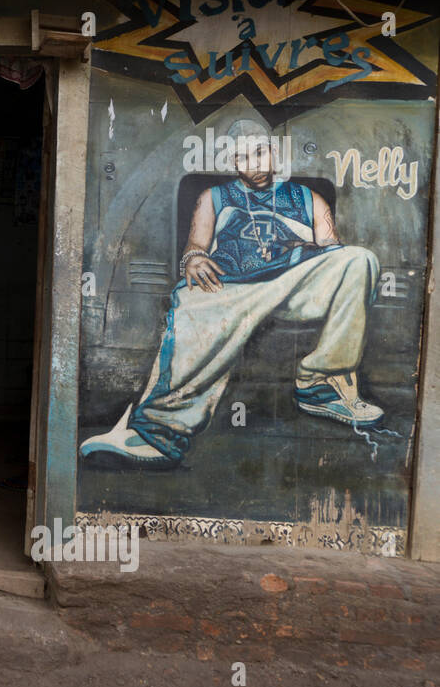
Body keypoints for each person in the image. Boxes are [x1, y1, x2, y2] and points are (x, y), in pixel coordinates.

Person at [81, 118, 383, 468]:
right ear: (232, 163)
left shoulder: (308, 198)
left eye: (259, 153)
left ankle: (320, 385)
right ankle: (159, 433)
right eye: (242, 157)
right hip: (234, 289)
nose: (253, 164)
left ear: (273, 153)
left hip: (292, 287)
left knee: (359, 259)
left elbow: (333, 251)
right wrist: (193, 260)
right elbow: (196, 245)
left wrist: (306, 248)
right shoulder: (214, 197)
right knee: (191, 302)